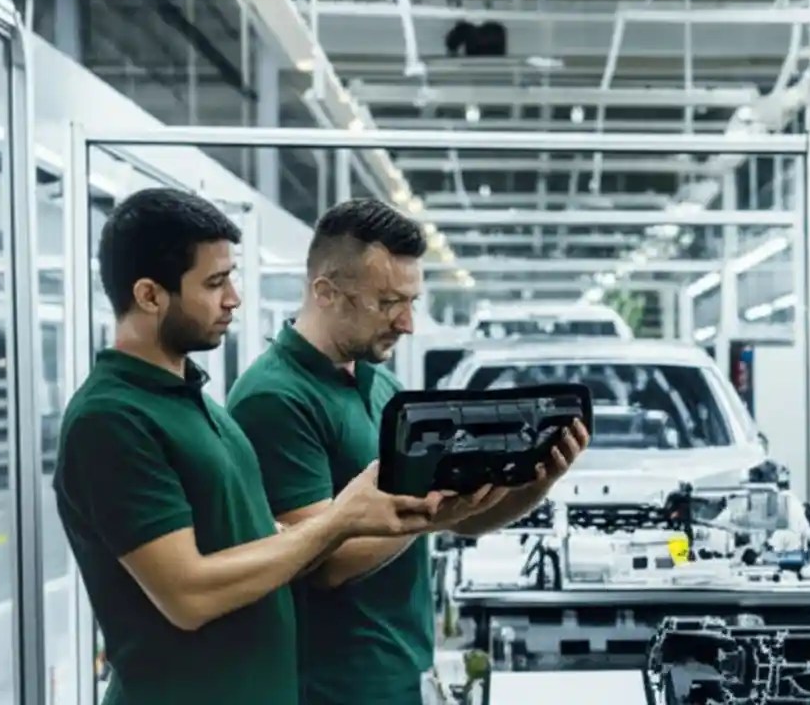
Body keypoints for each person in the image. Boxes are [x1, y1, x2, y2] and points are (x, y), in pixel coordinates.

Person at [53, 188, 449, 705]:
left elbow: (265, 546)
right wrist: (341, 518)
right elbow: (187, 594)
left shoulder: (202, 409)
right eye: (215, 283)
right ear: (150, 295)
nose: (234, 298)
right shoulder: (111, 419)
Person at [227, 198, 590, 705]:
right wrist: (436, 515)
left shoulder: (382, 385)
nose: (407, 324)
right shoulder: (275, 398)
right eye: (388, 302)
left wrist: (539, 478)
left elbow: (460, 520)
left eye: (411, 302)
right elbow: (320, 560)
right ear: (326, 293)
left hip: (404, 673)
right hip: (334, 687)